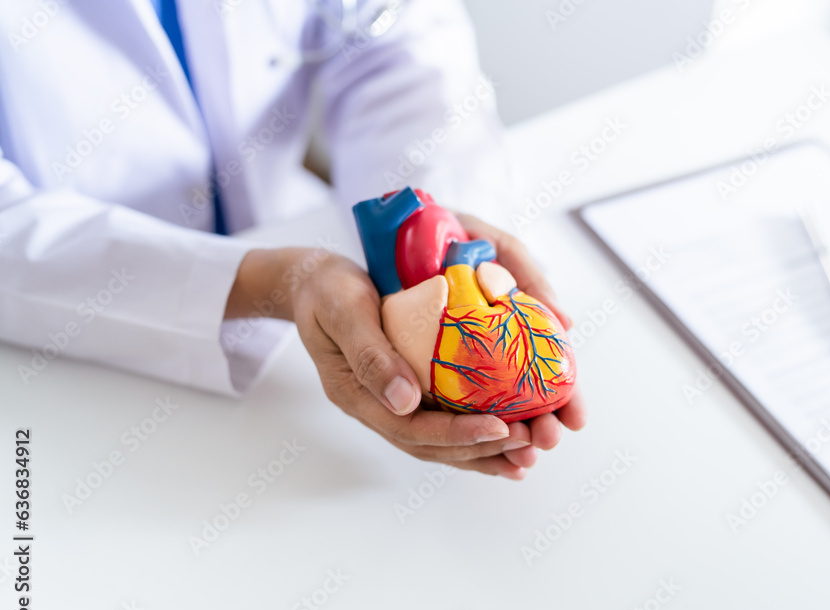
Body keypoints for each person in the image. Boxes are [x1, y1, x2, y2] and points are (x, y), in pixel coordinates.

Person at [0, 0, 586, 480]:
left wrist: (437, 219)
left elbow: (394, 45)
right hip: (52, 371)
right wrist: (263, 282)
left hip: (299, 265)